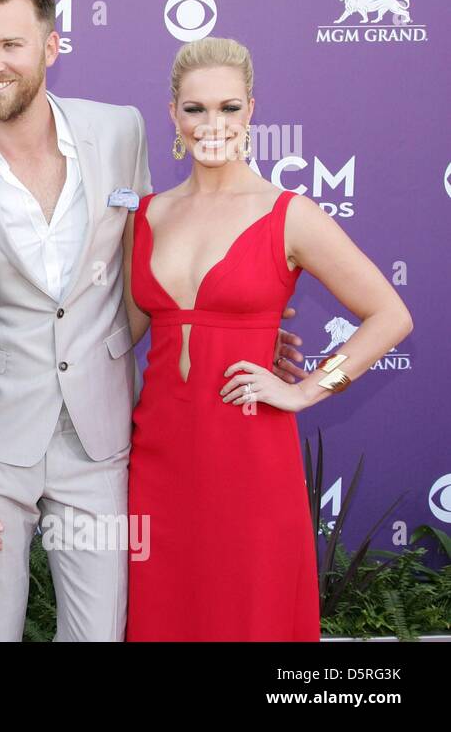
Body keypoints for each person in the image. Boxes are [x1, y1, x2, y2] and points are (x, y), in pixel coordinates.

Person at [0, 0, 307, 641]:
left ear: (52, 47)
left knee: (98, 635)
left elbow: (146, 263)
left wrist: (227, 326)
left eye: (10, 45)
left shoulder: (119, 132)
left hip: (102, 439)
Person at [123, 37, 413, 641]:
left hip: (250, 452)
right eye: (196, 108)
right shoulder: (146, 215)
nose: (213, 124)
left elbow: (390, 316)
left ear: (252, 110)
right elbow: (119, 336)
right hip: (158, 455)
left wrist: (308, 391)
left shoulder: (289, 213)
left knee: (253, 614)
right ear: (173, 114)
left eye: (229, 108)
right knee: (166, 614)